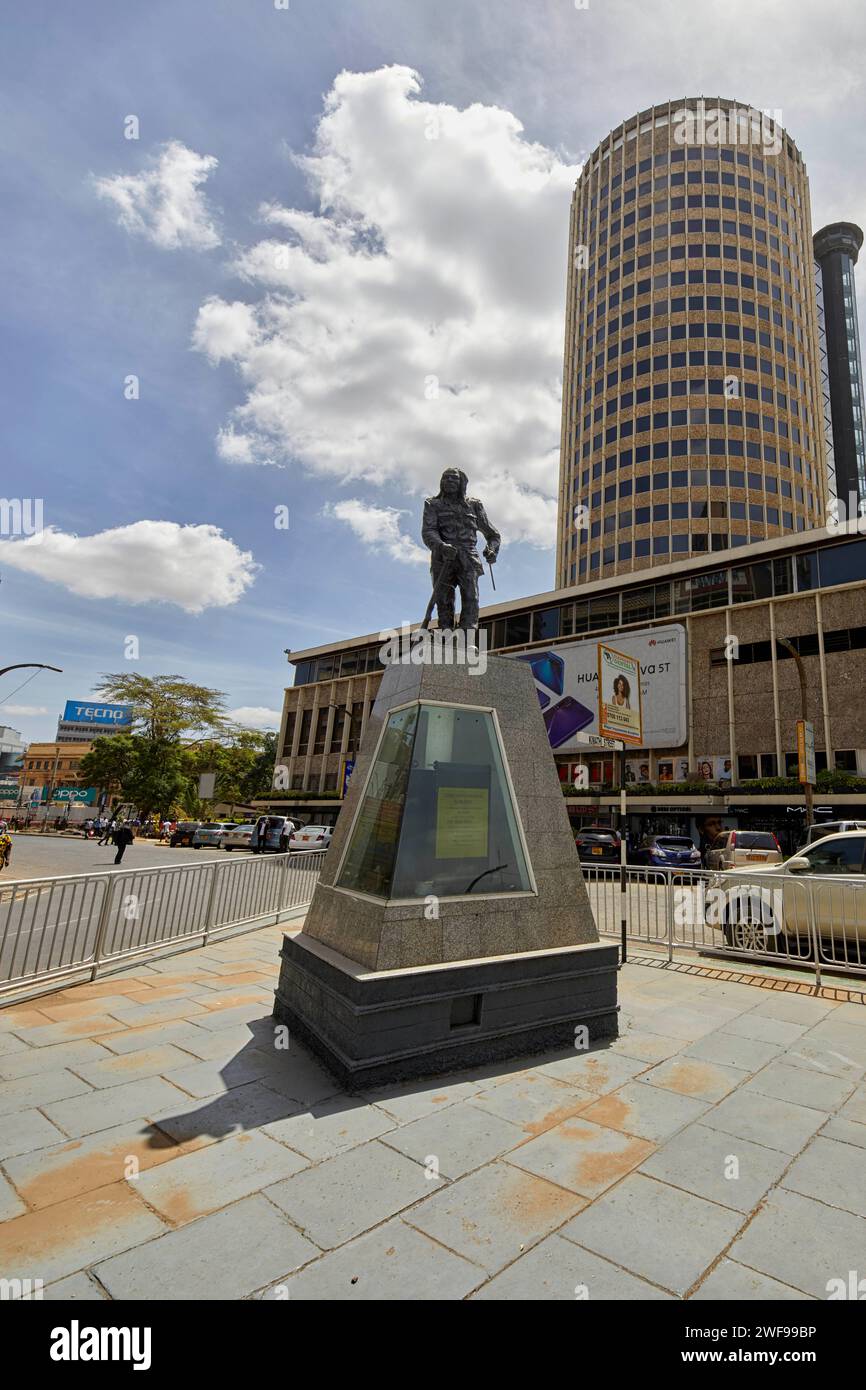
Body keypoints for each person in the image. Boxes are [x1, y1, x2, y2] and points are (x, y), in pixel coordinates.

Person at [421, 468, 500, 633]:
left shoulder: (474, 505)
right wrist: (441, 546)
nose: (449, 481)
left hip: (468, 556)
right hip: (443, 557)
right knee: (443, 599)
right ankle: (445, 633)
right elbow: (428, 531)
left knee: (471, 597)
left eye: (453, 478)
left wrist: (492, 550)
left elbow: (493, 535)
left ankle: (467, 635)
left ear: (461, 483)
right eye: (445, 478)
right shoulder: (432, 504)